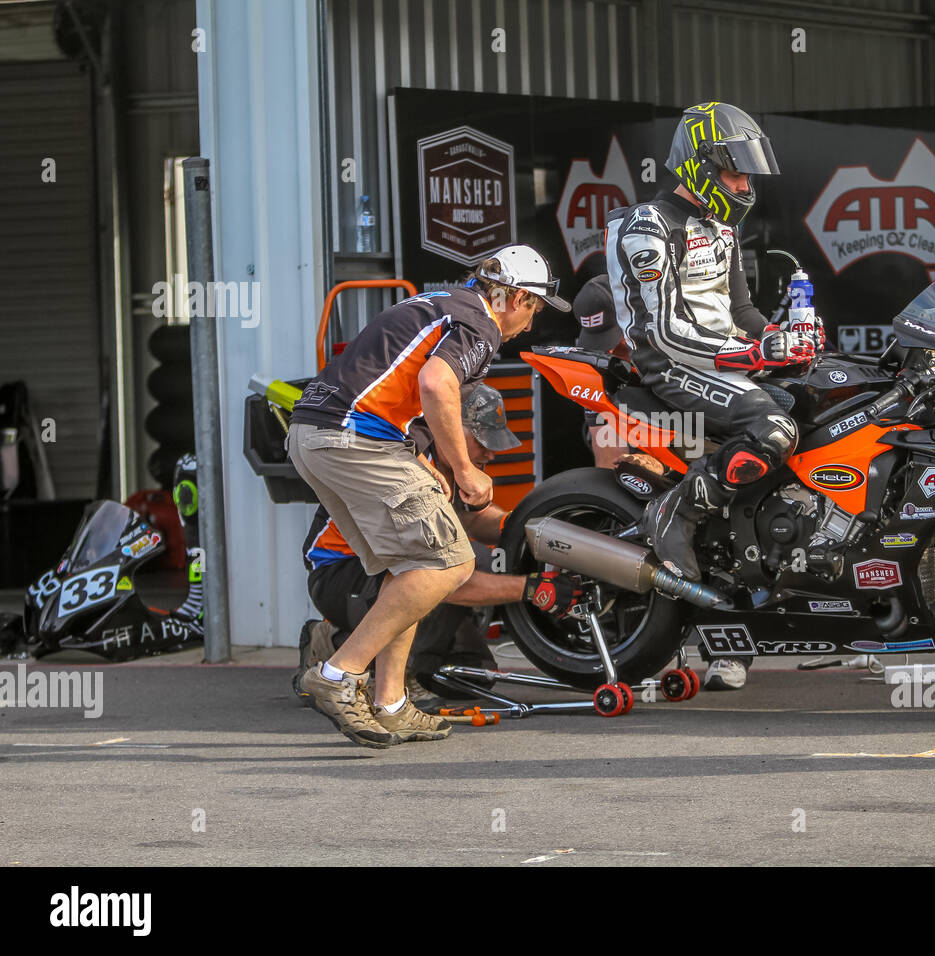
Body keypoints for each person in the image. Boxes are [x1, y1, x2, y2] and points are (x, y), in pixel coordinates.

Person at [288, 244, 571, 747]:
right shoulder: (478, 323)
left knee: (411, 567)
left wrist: (418, 458)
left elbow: (388, 379)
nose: (529, 324)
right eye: (534, 308)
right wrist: (462, 468)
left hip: (316, 432)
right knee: (450, 564)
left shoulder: (437, 300)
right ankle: (336, 675)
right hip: (352, 436)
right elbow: (437, 383)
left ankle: (392, 703)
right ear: (512, 297)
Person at [606, 101, 814, 691]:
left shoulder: (721, 227)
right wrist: (751, 355)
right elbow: (667, 330)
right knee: (774, 430)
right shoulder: (645, 226)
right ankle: (676, 510)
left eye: (747, 174)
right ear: (699, 165)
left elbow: (739, 311)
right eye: (735, 172)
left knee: (829, 405)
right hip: (670, 368)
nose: (745, 186)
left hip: (724, 363)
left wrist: (780, 338)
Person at [294, 385, 583, 703]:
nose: (491, 453)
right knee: (453, 567)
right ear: (445, 425)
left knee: (468, 674)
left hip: (394, 568)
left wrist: (522, 527)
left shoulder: (460, 464)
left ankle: (413, 664)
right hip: (341, 572)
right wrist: (532, 588)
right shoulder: (408, 460)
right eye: (482, 441)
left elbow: (474, 519)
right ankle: (336, 645)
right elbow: (438, 572)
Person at [572, 274, 629, 469]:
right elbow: (610, 464)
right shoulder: (598, 371)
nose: (610, 351)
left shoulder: (675, 350)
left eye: (613, 338)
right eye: (601, 343)